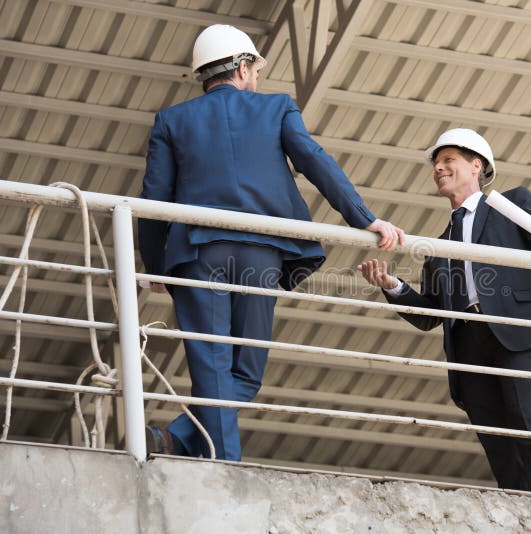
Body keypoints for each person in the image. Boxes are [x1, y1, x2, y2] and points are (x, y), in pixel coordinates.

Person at [138, 24, 404, 461]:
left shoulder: (172, 120)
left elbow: (154, 199)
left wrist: (155, 266)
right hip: (261, 253)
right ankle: (220, 464)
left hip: (198, 253)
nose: (256, 80)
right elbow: (317, 163)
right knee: (245, 371)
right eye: (255, 70)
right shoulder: (277, 109)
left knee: (214, 366)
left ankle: (182, 440)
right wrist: (366, 219)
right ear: (243, 67)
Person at [357, 128, 531, 494]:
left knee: (529, 421)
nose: (439, 168)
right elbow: (430, 314)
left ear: (477, 166)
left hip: (514, 330)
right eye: (437, 163)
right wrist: (392, 286)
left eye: (449, 160)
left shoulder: (512, 204)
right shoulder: (438, 247)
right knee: (494, 434)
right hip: (467, 343)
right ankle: (516, 505)